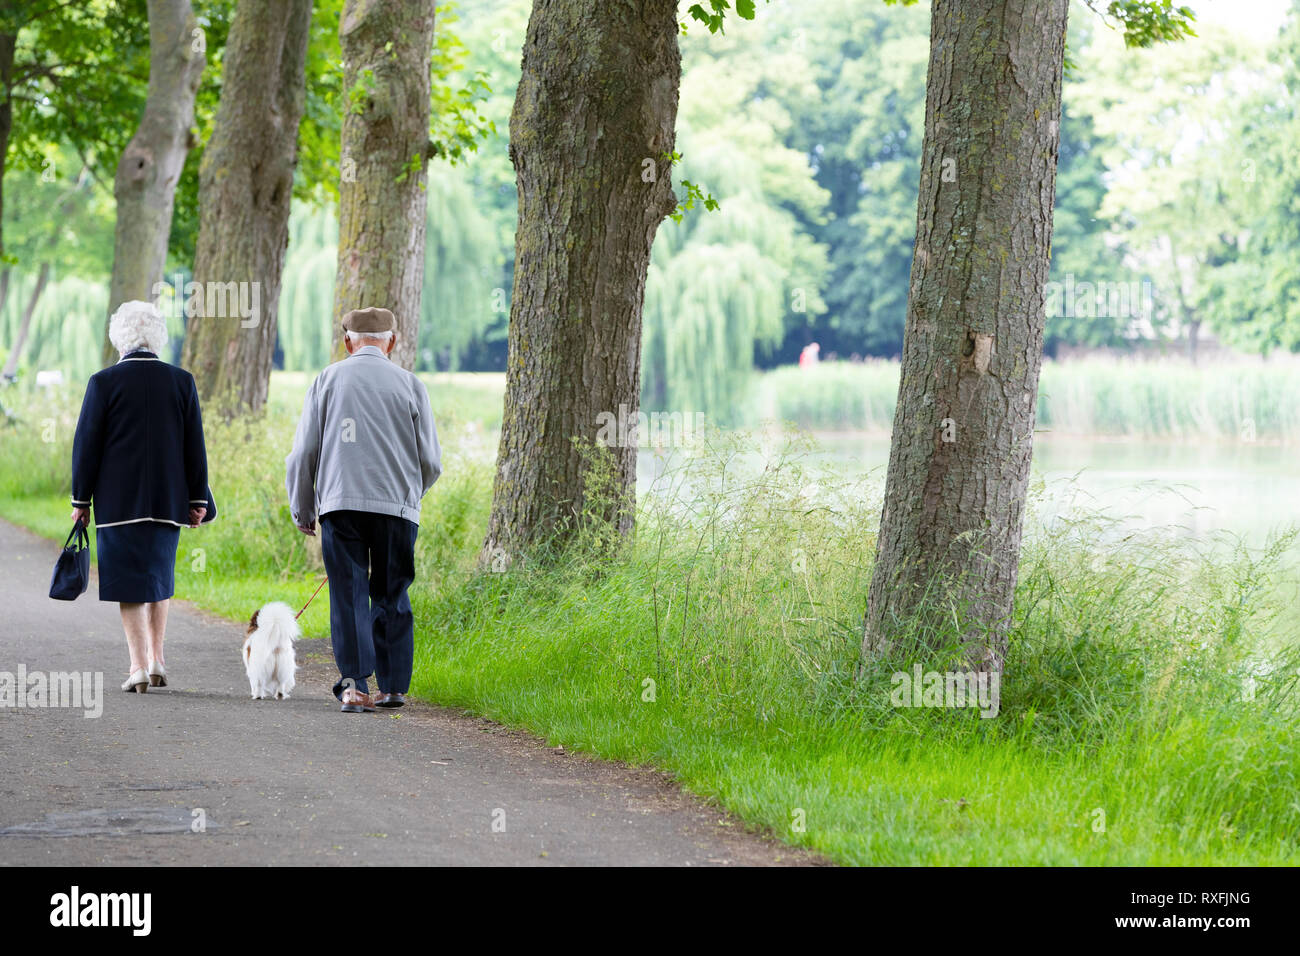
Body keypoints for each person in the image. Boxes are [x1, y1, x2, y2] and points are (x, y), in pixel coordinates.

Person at [285, 307, 441, 714]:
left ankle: (355, 687)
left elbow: (303, 453)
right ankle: (391, 688)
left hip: (340, 504)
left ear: (347, 341)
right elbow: (431, 461)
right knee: (392, 592)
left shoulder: (327, 380)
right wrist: (409, 495)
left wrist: (303, 507)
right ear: (392, 341)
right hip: (397, 508)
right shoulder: (411, 385)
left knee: (349, 593)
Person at [70, 300, 211, 694]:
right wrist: (197, 499)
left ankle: (136, 665)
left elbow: (87, 447)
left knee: (128, 584)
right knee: (158, 578)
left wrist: (81, 500)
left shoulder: (103, 383)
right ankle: (157, 659)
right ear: (158, 338)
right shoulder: (181, 381)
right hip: (168, 503)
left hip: (118, 506)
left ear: (120, 337)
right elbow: (194, 447)